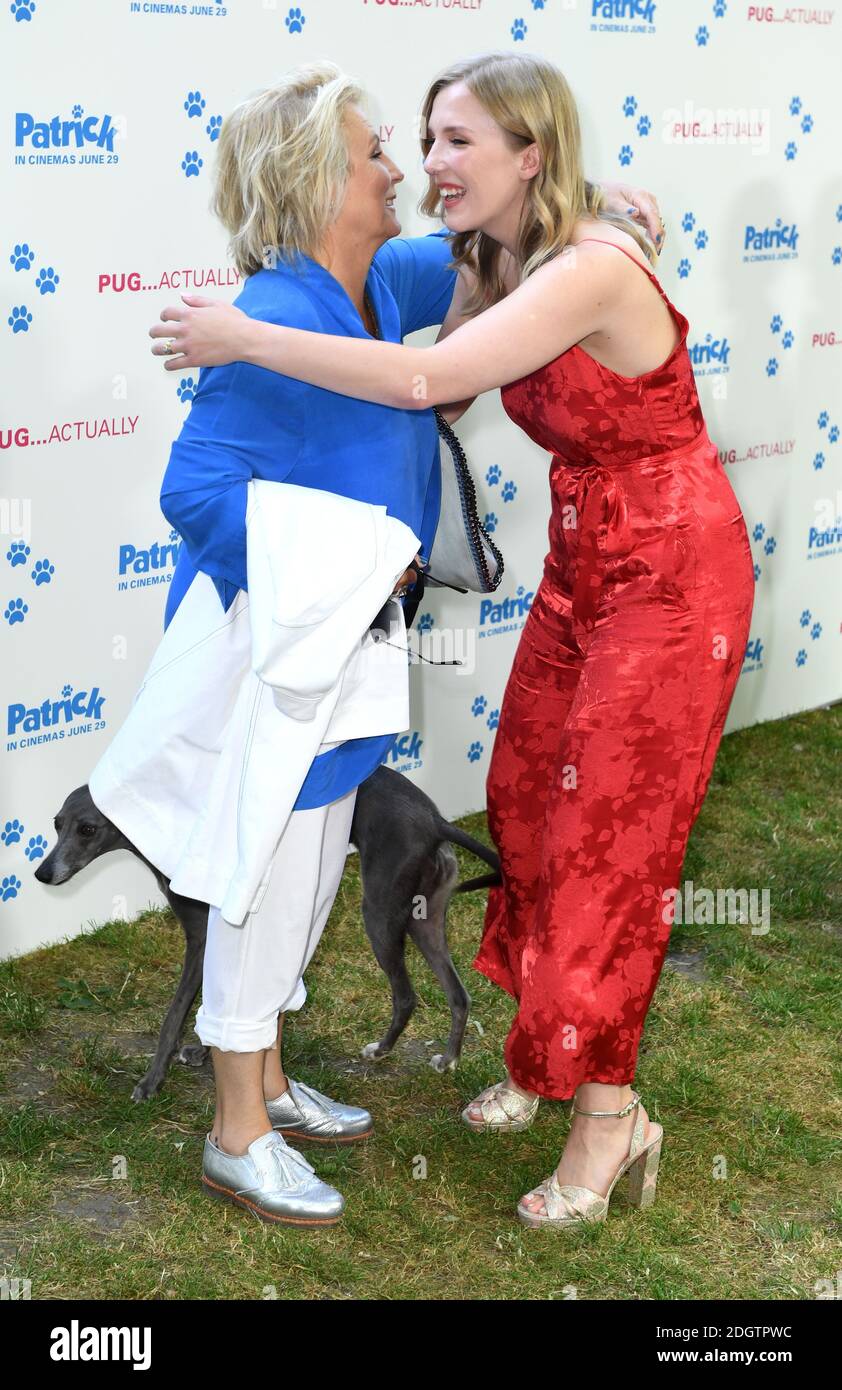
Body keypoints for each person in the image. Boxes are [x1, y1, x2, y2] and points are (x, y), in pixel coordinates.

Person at [151, 50, 754, 1232]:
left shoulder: (513, 269)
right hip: (517, 585)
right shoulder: (441, 265)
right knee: (519, 809)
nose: (418, 165)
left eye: (446, 141)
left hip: (666, 580)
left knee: (602, 843)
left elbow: (430, 373)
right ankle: (510, 1055)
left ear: (525, 154)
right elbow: (410, 396)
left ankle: (602, 1111)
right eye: (402, 144)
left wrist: (243, 336)